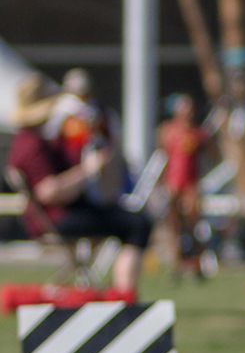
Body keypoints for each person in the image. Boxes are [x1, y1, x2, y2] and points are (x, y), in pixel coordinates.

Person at [8, 73, 151, 294]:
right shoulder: (31, 144)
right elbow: (49, 192)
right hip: (57, 218)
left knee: (128, 218)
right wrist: (87, 170)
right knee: (137, 224)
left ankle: (113, 292)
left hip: (59, 214)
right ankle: (125, 295)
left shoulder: (32, 139)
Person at [157, 94, 210, 279]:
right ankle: (176, 264)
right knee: (173, 226)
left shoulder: (196, 133)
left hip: (190, 184)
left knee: (192, 222)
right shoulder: (167, 131)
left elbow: (208, 153)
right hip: (173, 182)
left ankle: (197, 263)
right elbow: (163, 156)